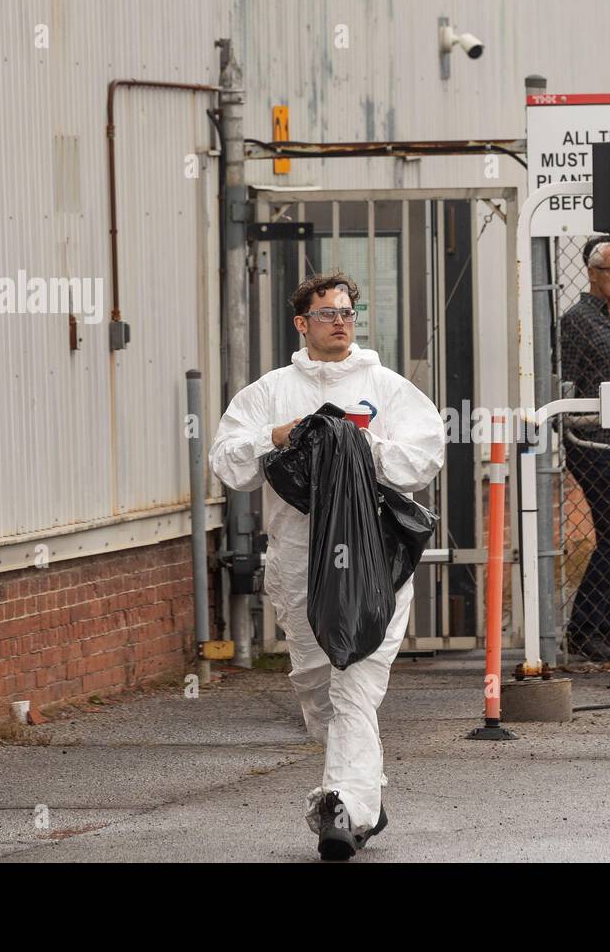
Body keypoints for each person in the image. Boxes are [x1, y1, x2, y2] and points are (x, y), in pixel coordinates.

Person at [208, 272, 445, 859]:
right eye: (326, 313)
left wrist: (355, 445)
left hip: (373, 564)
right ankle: (366, 795)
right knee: (317, 688)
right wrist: (279, 436)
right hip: (298, 564)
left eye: (347, 312)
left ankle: (340, 810)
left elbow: (422, 458)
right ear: (302, 323)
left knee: (354, 685)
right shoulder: (270, 391)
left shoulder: (386, 389)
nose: (339, 321)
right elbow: (226, 461)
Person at [559, 239, 610, 662]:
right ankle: (585, 627)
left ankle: (604, 627)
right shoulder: (577, 320)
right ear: (593, 274)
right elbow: (568, 380)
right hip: (592, 441)